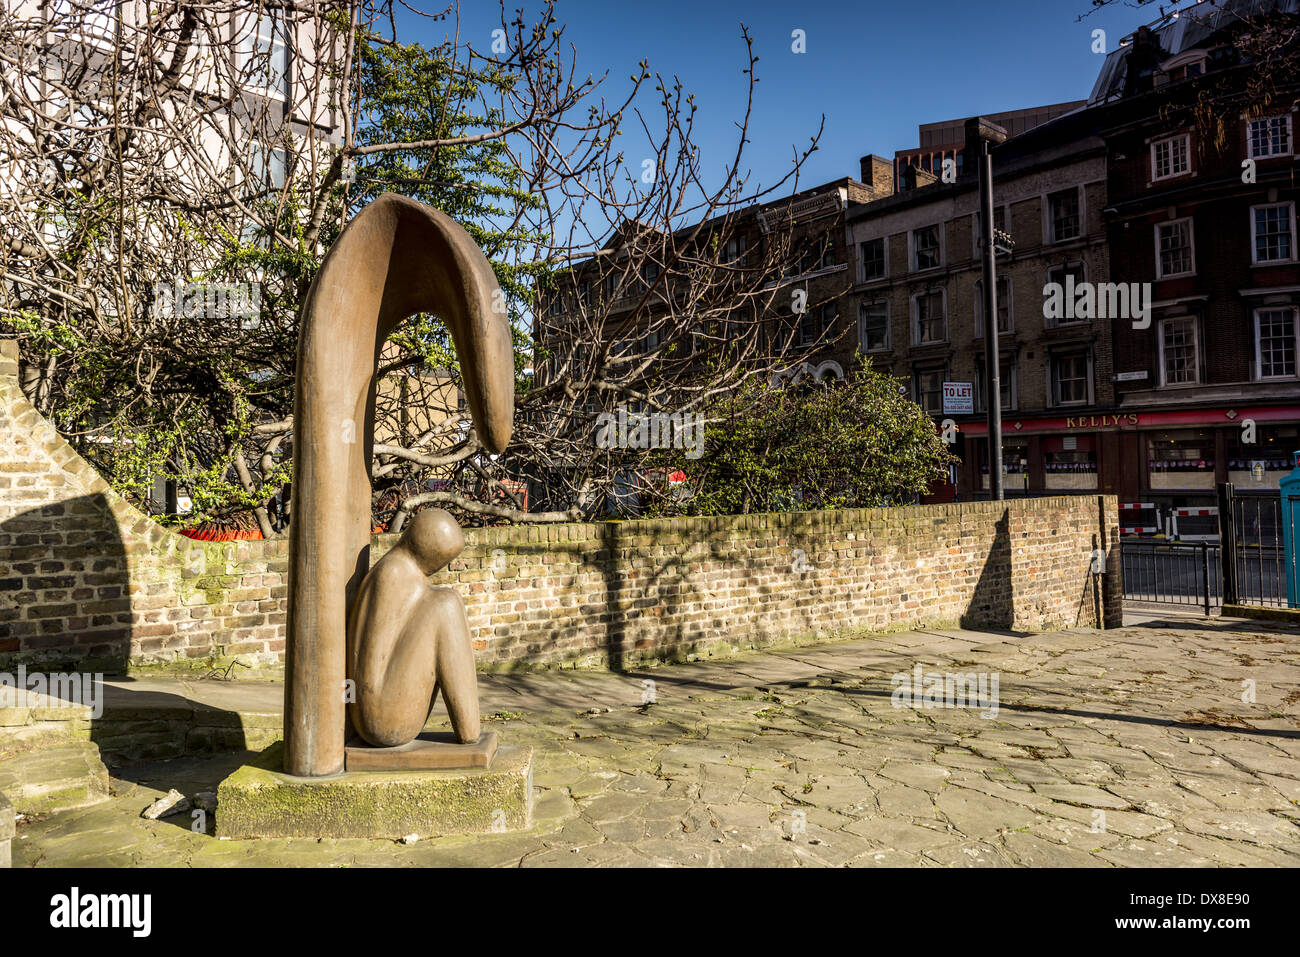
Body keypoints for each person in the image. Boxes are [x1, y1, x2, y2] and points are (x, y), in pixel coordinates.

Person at [346, 508, 481, 747]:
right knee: (448, 604)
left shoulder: (391, 568)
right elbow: (375, 660)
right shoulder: (395, 572)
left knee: (445, 602)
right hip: (383, 718)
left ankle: (469, 725)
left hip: (372, 714)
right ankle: (468, 727)